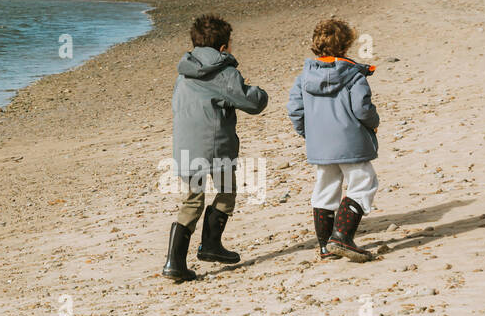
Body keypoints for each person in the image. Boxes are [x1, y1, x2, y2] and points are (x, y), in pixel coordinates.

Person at [162, 14, 268, 282]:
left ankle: (174, 262)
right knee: (227, 192)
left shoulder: (183, 73)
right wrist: (259, 92)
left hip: (185, 146)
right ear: (223, 47)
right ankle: (210, 245)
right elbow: (252, 103)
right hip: (216, 148)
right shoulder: (225, 73)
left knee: (192, 200)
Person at [287, 18, 380, 261]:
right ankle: (341, 236)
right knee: (363, 182)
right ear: (346, 45)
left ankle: (325, 246)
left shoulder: (303, 78)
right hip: (350, 140)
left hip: (321, 144)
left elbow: (295, 111)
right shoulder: (353, 75)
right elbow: (362, 108)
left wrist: (308, 133)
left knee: (325, 187)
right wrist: (374, 123)